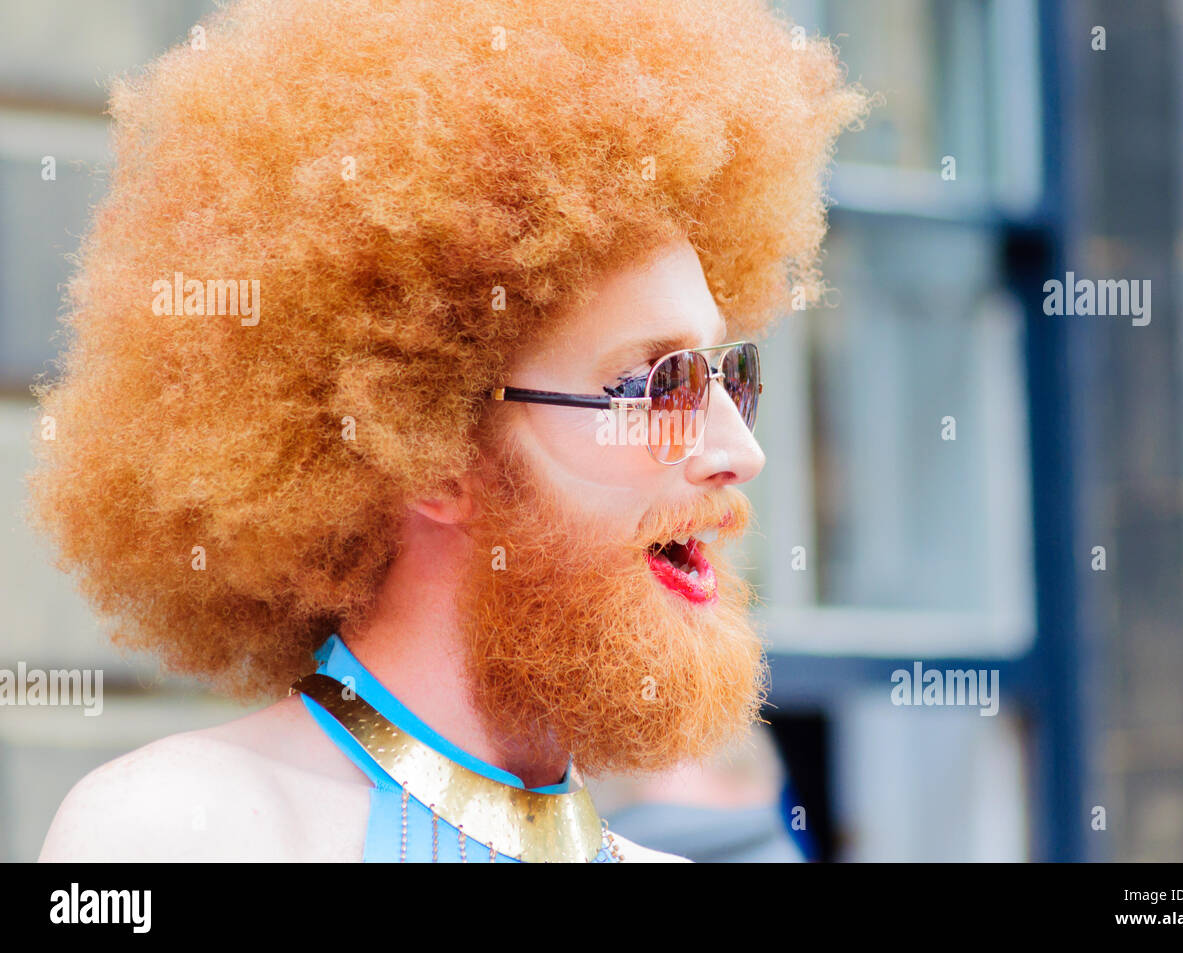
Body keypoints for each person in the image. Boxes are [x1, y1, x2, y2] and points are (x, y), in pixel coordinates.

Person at [30, 0, 870, 862]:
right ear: (430, 445)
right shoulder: (178, 830)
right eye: (654, 385)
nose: (740, 452)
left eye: (729, 378)